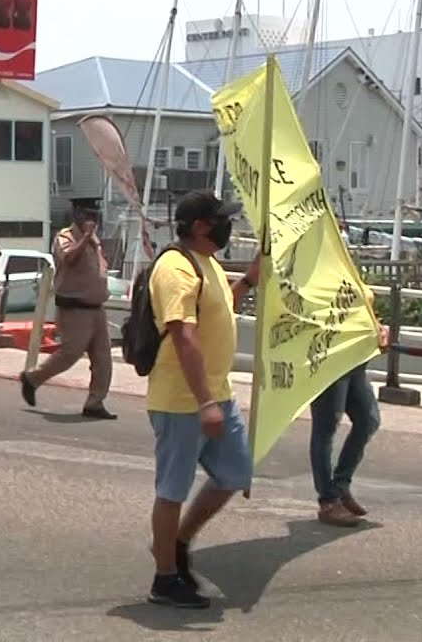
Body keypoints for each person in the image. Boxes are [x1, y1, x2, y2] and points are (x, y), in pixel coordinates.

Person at [145, 190, 259, 609]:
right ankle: (164, 578)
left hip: (217, 394)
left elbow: (221, 307)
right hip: (182, 400)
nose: (229, 226)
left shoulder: (205, 262)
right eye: (221, 219)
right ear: (199, 226)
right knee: (172, 489)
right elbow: (184, 336)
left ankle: (176, 542)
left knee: (235, 473)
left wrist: (247, 280)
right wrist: (204, 402)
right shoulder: (175, 267)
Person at [18, 197, 116, 419]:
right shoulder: (65, 237)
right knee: (70, 354)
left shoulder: (95, 240)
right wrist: (86, 238)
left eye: (95, 215)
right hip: (75, 308)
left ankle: (95, 402)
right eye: (88, 215)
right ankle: (32, 379)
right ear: (77, 215)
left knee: (103, 359)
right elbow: (69, 258)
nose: (93, 219)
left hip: (96, 308)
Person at [309, 360, 383, 526]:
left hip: (355, 361)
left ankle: (341, 485)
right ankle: (328, 500)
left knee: (368, 421)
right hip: (330, 359)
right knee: (325, 428)